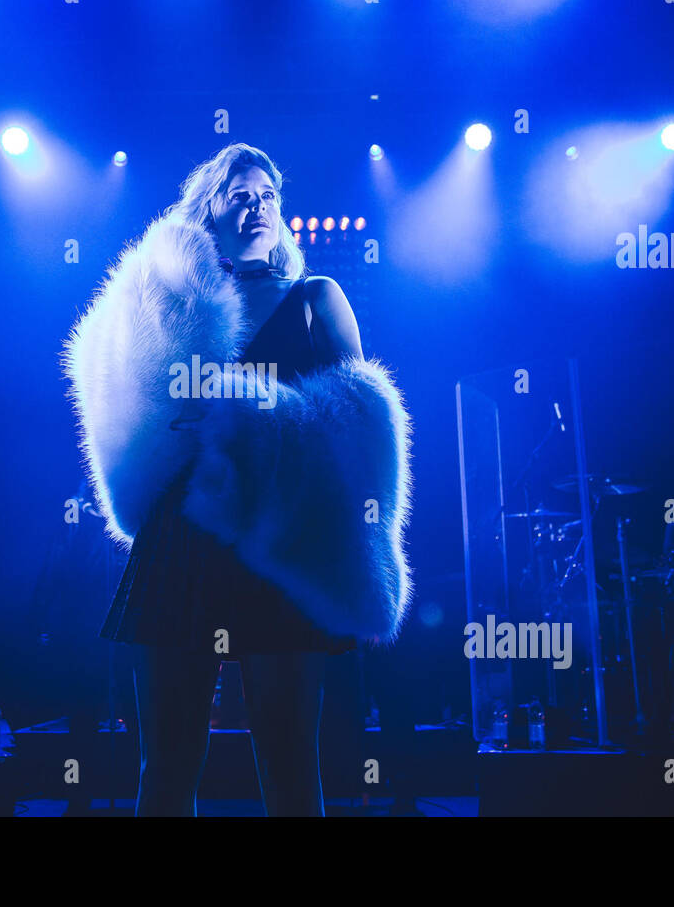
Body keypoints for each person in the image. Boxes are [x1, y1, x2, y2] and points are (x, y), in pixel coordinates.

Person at [63, 143, 413, 816]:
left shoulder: (317, 298)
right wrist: (170, 425)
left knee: (289, 768)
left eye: (268, 196)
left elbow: (356, 427)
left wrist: (251, 418)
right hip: (181, 534)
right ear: (210, 211)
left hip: (279, 542)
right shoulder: (166, 302)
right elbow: (122, 403)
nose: (257, 207)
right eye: (240, 195)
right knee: (163, 768)